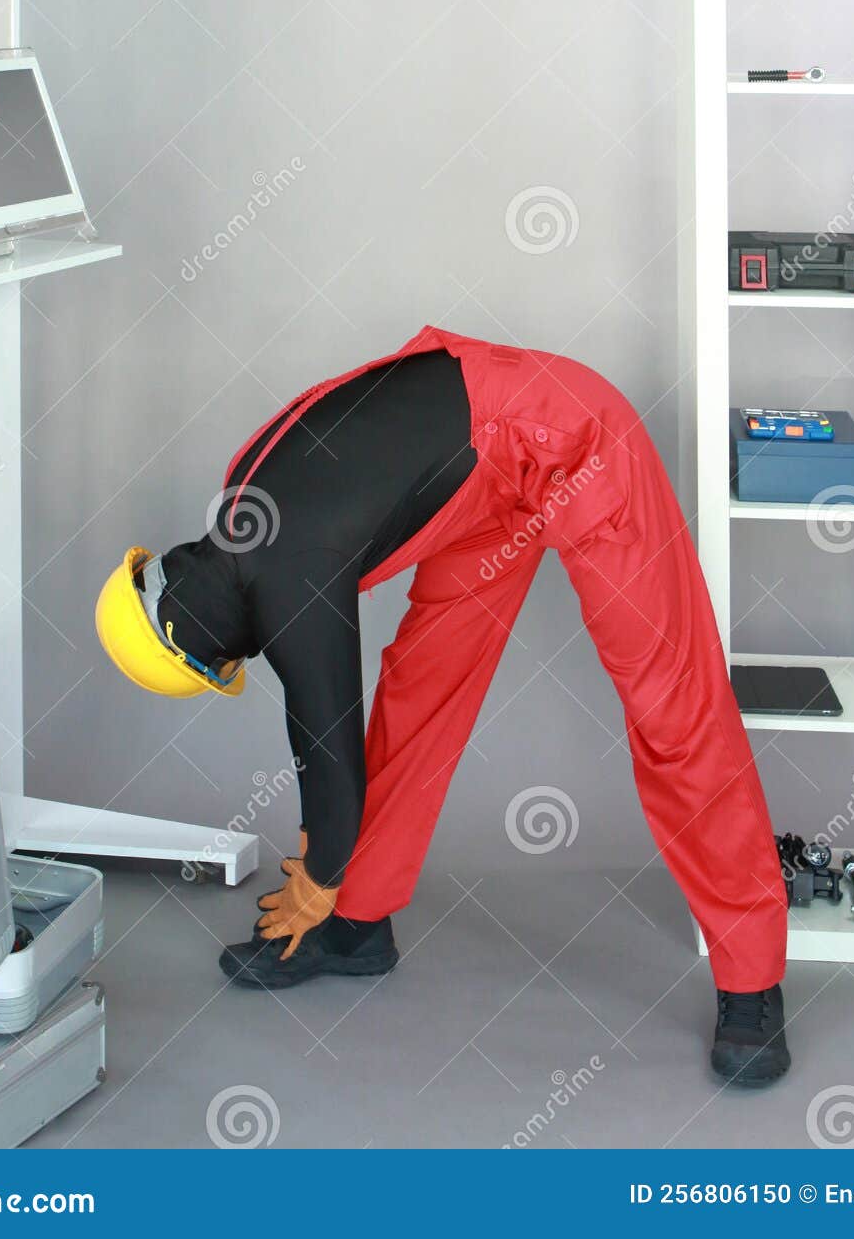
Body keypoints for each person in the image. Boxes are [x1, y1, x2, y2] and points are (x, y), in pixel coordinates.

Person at [95, 325, 790, 1085]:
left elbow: (326, 740)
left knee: (670, 701)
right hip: (481, 484)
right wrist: (330, 866)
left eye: (220, 663)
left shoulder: (282, 575)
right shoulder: (240, 503)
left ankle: (751, 978)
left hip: (572, 439)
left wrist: (318, 871)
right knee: (420, 688)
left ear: (195, 641)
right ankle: (358, 926)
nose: (238, 662)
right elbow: (325, 735)